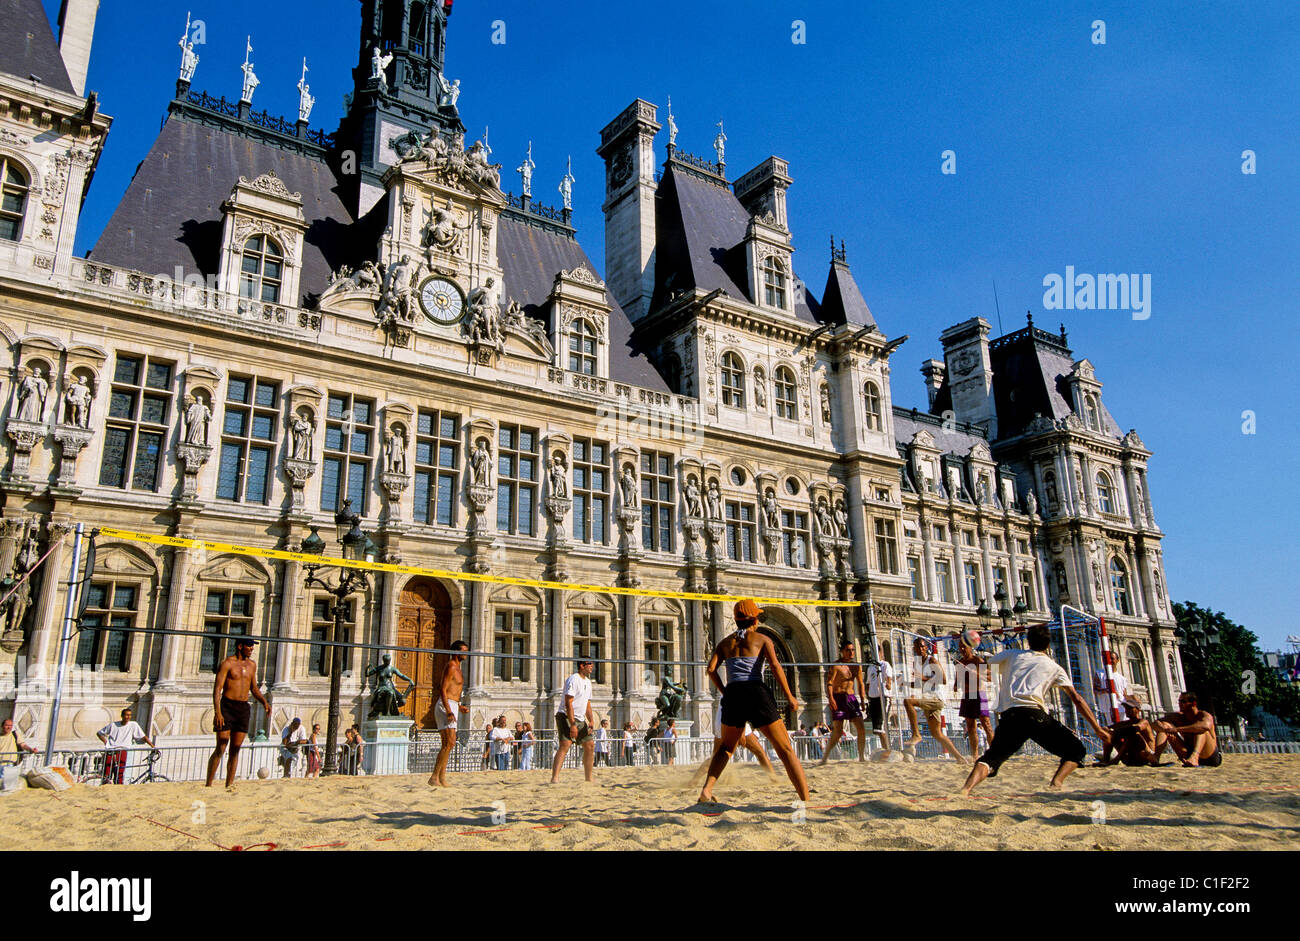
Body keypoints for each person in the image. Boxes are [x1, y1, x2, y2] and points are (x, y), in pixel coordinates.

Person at [959, 623, 1111, 797]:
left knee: (991, 758)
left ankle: (966, 789)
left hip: (1010, 715)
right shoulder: (1054, 666)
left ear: (1028, 642)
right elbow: (1077, 699)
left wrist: (971, 654)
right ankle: (1056, 783)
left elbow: (986, 668)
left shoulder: (1012, 655)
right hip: (1035, 715)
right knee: (1077, 751)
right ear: (1047, 645)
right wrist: (1098, 729)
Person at [698, 600, 809, 804]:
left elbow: (711, 669)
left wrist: (725, 690)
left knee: (726, 748)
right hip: (756, 691)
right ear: (754, 620)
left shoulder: (725, 643)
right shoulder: (762, 639)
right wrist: (790, 695)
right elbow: (775, 667)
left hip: (733, 693)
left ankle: (706, 790)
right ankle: (805, 797)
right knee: (785, 749)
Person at [205, 637, 270, 789]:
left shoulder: (252, 665)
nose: (252, 649)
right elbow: (217, 690)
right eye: (249, 646)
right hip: (227, 705)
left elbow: (253, 688)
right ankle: (209, 783)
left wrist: (264, 701)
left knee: (236, 748)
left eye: (252, 647)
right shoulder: (227, 663)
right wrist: (218, 712)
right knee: (221, 746)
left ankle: (229, 783)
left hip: (243, 707)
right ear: (240, 646)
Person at [903, 638, 965, 762]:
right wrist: (905, 683)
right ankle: (960, 757)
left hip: (936, 698)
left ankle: (916, 734)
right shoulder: (917, 663)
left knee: (908, 701)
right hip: (928, 698)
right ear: (914, 649)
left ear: (926, 647)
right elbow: (919, 684)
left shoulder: (932, 660)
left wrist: (924, 678)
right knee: (937, 734)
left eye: (922, 646)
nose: (920, 649)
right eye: (917, 647)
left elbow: (943, 679)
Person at [430, 639, 470, 786]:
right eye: (463, 651)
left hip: (452, 705)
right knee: (450, 742)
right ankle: (435, 776)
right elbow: (443, 689)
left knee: (448, 744)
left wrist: (459, 706)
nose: (466, 654)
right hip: (446, 706)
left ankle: (441, 777)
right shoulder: (451, 667)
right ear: (455, 652)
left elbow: (453, 691)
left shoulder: (458, 668)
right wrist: (448, 710)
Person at [819, 641, 868, 764]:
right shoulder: (836, 665)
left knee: (861, 728)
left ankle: (861, 756)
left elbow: (861, 684)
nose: (851, 652)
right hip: (838, 697)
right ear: (842, 651)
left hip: (851, 698)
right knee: (838, 731)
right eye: (848, 650)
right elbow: (829, 683)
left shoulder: (856, 666)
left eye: (852, 650)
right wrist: (831, 698)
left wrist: (862, 700)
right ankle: (825, 758)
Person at [550, 658, 597, 784]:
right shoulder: (573, 679)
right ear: (582, 666)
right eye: (589, 664)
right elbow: (568, 703)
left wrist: (591, 720)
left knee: (590, 745)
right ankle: (555, 778)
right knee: (565, 745)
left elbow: (587, 703)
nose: (592, 666)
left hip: (580, 717)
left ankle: (588, 777)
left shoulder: (588, 682)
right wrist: (573, 725)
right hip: (566, 716)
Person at [1152, 692, 1221, 767]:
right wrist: (1163, 728)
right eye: (1179, 701)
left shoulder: (1203, 715)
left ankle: (1195, 757)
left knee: (1199, 729)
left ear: (1193, 703)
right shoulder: (1178, 716)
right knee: (1165, 726)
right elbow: (1154, 723)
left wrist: (1176, 729)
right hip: (1187, 753)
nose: (1180, 704)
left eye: (1183, 702)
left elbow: (1205, 727)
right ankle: (1156, 757)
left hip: (1209, 756)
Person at [955, 635, 993, 761]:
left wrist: (976, 674)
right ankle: (975, 755)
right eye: (960, 646)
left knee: (986, 724)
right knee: (970, 727)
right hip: (967, 695)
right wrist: (955, 685)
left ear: (970, 647)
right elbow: (957, 682)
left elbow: (990, 678)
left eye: (964, 646)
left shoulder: (978, 661)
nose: (961, 649)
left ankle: (994, 753)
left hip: (979, 693)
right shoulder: (960, 663)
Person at [98, 707, 154, 785]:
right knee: (107, 772)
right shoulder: (113, 725)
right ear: (122, 715)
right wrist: (106, 742)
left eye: (130, 715)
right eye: (126, 715)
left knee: (120, 773)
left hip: (122, 751)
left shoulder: (133, 725)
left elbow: (143, 736)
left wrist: (152, 746)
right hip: (111, 751)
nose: (128, 717)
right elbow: (100, 733)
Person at [1099, 698, 1157, 766]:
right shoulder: (1125, 723)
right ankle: (1105, 760)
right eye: (1126, 708)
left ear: (1138, 710)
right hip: (1129, 757)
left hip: (1145, 755)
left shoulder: (1144, 722)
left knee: (1134, 734)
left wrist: (1115, 731)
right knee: (1108, 735)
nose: (1127, 710)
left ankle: (1116, 759)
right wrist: (1108, 731)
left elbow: (1136, 728)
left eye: (1130, 708)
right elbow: (1105, 728)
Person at [865, 644, 894, 756]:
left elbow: (889, 681)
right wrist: (868, 695)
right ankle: (885, 750)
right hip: (873, 699)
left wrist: (888, 684)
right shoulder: (870, 668)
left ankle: (888, 751)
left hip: (883, 698)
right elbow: (868, 682)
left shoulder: (885, 665)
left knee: (881, 728)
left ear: (881, 653)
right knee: (877, 729)